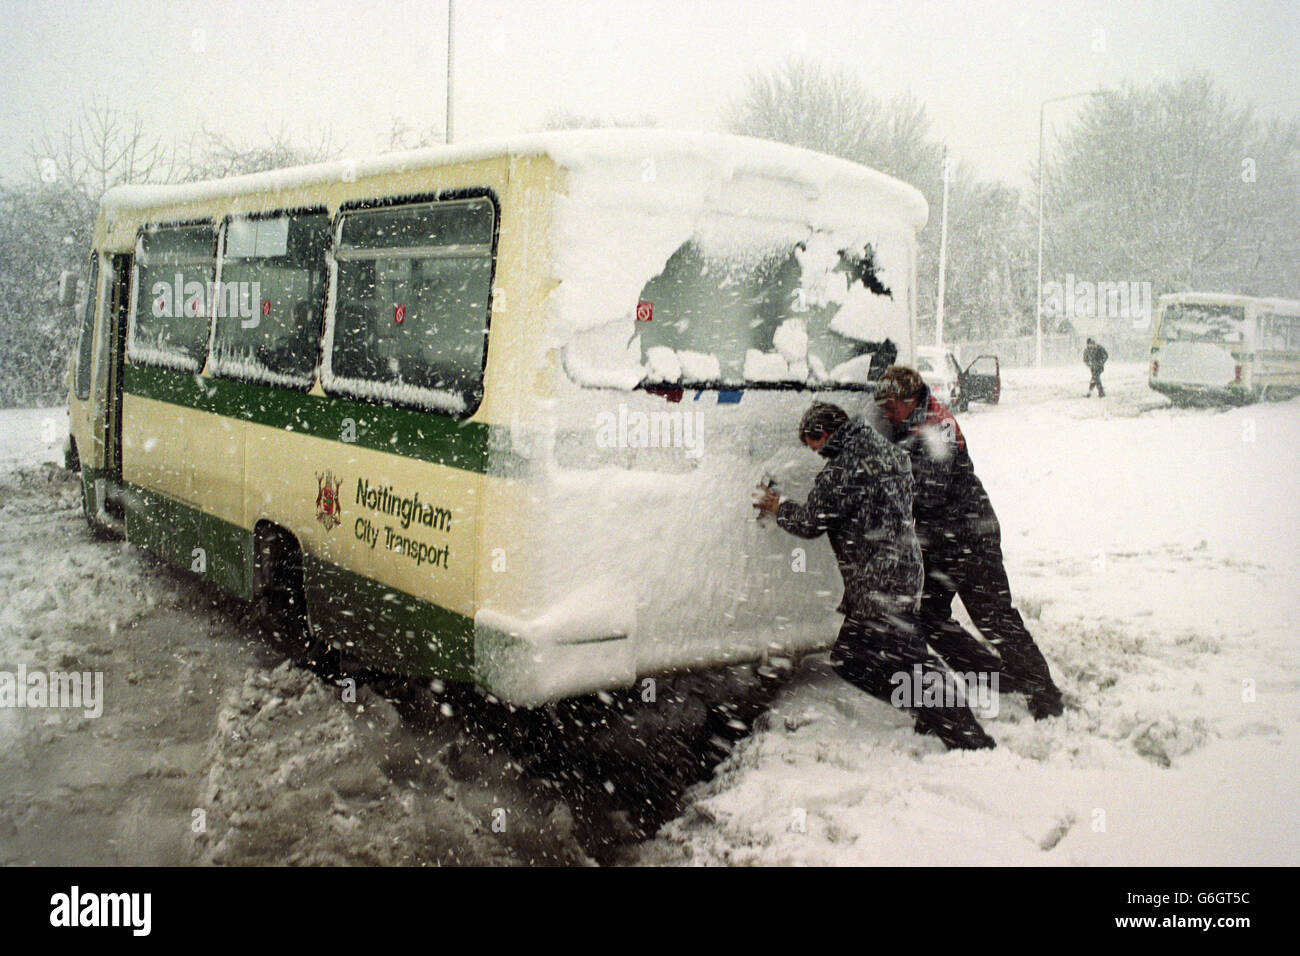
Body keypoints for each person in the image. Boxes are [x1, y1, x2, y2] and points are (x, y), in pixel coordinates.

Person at [753, 401, 995, 750]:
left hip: (880, 581)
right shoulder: (888, 451)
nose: (817, 454)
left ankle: (970, 739)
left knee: (913, 663)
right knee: (850, 658)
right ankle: (929, 710)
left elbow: (810, 522)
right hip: (903, 571)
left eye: (814, 445)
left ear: (825, 434)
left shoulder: (843, 470)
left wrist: (778, 507)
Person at [874, 366, 1065, 719]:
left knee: (995, 619)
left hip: (970, 535)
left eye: (889, 406)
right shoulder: (910, 423)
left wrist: (889, 486)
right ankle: (992, 677)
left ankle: (1046, 698)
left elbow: (932, 487)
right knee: (928, 616)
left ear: (908, 399)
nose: (885, 414)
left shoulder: (939, 426)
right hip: (940, 538)